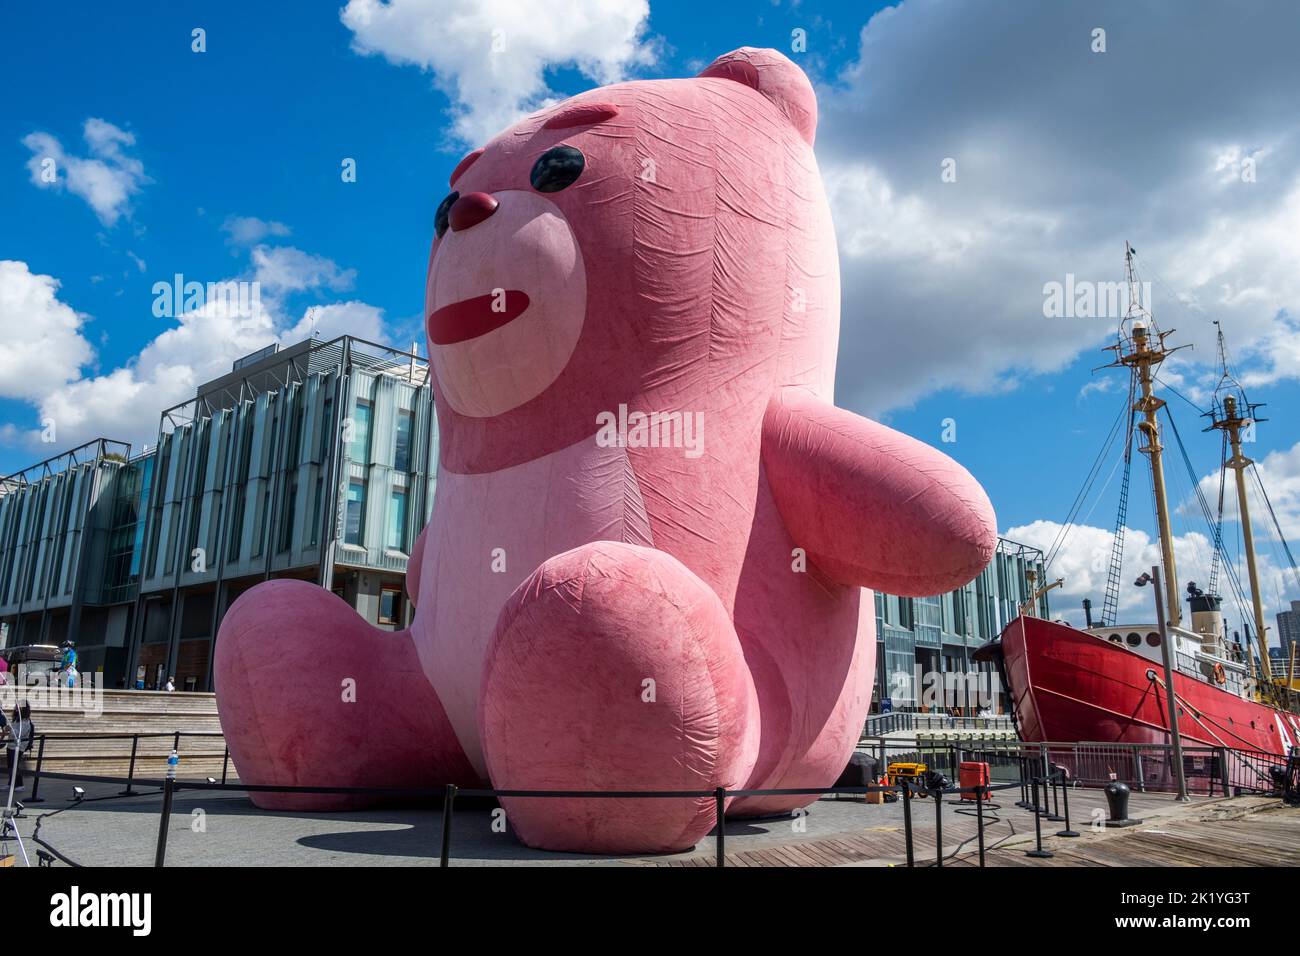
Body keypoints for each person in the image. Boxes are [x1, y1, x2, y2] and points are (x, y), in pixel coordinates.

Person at [0, 703, 34, 793]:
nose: (15, 708)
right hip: (11, 745)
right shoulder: (16, 720)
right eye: (15, 706)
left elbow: (19, 734)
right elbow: (12, 731)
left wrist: (11, 729)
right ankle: (11, 783)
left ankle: (20, 785)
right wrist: (7, 728)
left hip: (18, 747)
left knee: (15, 765)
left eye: (18, 707)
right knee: (10, 766)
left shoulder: (26, 722)